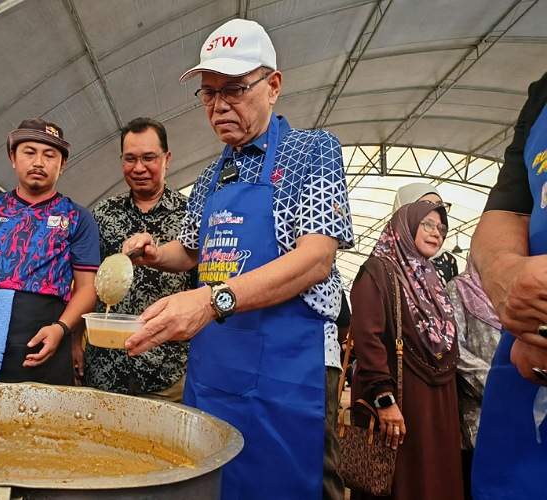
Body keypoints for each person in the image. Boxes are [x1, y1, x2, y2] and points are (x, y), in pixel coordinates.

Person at [122, 19, 353, 499]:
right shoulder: (211, 175)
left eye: (235, 90)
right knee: (214, 480)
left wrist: (211, 302)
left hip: (293, 362)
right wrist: (152, 255)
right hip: (218, 362)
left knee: (295, 481)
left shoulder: (312, 150)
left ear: (273, 86)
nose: (220, 106)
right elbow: (189, 252)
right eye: (209, 94)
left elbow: (315, 260)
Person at [0, 119, 99, 385]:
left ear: (63, 164)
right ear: (13, 157)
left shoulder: (77, 217)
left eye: (50, 155)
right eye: (29, 152)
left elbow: (87, 288)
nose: (39, 162)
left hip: (46, 331)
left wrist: (60, 329)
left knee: (40, 419)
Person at [350, 200, 463, 500]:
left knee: (436, 480)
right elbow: (366, 336)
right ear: (406, 224)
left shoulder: (433, 280)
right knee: (402, 482)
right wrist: (384, 399)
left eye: (441, 228)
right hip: (400, 403)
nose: (436, 233)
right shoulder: (378, 270)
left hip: (437, 401)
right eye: (427, 224)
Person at [469, 71, 547, 500]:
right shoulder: (542, 94)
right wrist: (507, 277)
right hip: (524, 369)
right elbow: (506, 212)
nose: (436, 230)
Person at [83, 117, 194, 400]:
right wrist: (75, 341)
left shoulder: (190, 214)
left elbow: (202, 288)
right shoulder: (103, 214)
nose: (139, 168)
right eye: (130, 159)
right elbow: (85, 282)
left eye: (149, 158)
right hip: (106, 370)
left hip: (166, 372)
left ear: (167, 158)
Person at [446, 257, 501, 499]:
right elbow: (454, 349)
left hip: (521, 404)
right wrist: (498, 383)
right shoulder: (459, 288)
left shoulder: (515, 291)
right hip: (478, 409)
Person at [393, 183, 459, 283]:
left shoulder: (447, 262)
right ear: (404, 212)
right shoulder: (383, 266)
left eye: (439, 205)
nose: (434, 209)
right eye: (425, 204)